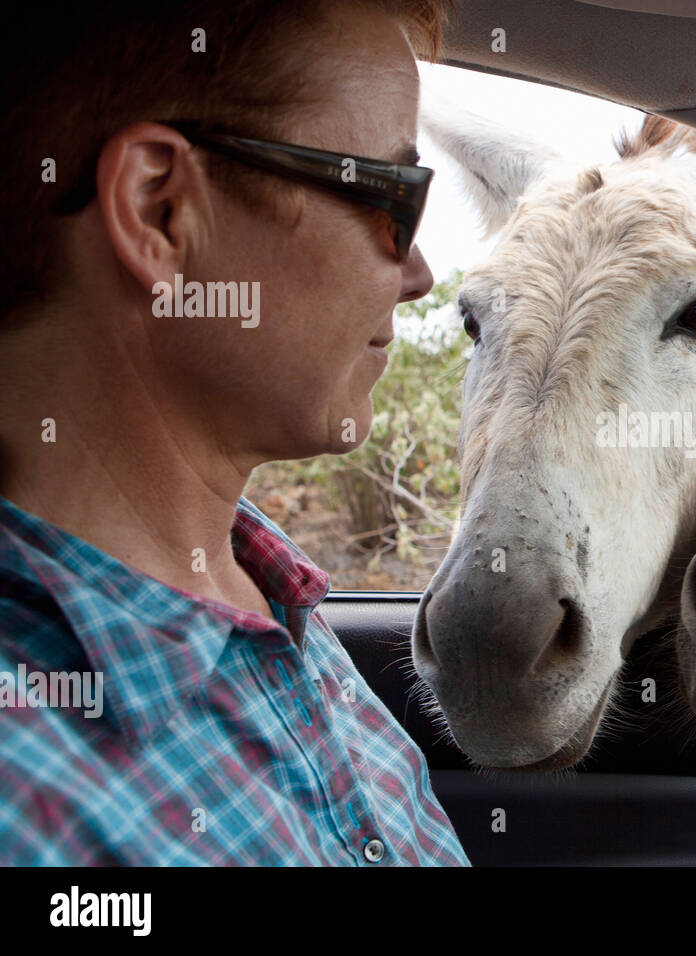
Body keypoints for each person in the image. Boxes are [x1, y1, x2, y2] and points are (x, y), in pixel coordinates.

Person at [0, 1, 468, 865]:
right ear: (160, 211)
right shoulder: (28, 809)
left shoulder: (268, 595)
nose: (417, 273)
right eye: (395, 198)